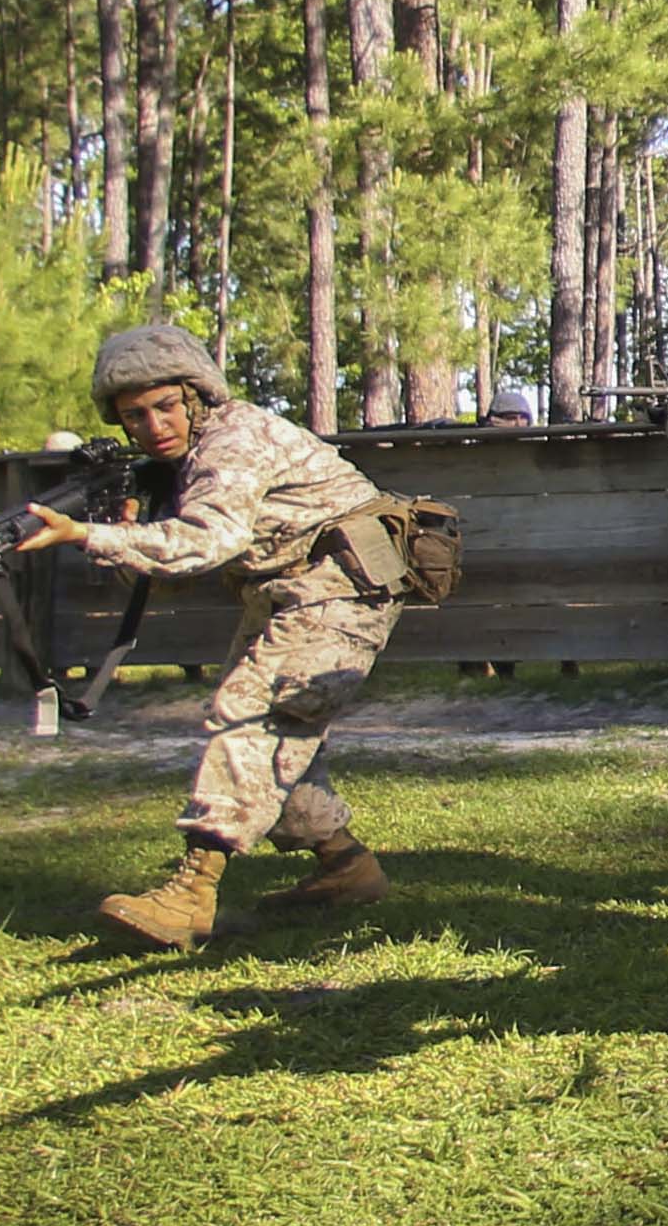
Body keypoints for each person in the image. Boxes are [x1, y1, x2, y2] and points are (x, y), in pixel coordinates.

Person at [24, 322, 419, 949]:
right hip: (289, 590)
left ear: (197, 397)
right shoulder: (186, 459)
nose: (153, 427)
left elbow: (210, 542)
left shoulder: (233, 441)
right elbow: (182, 569)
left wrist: (87, 536)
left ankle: (192, 892)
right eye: (136, 416)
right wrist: (124, 527)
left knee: (252, 717)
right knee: (280, 738)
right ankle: (347, 868)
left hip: (339, 587)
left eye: (165, 407)